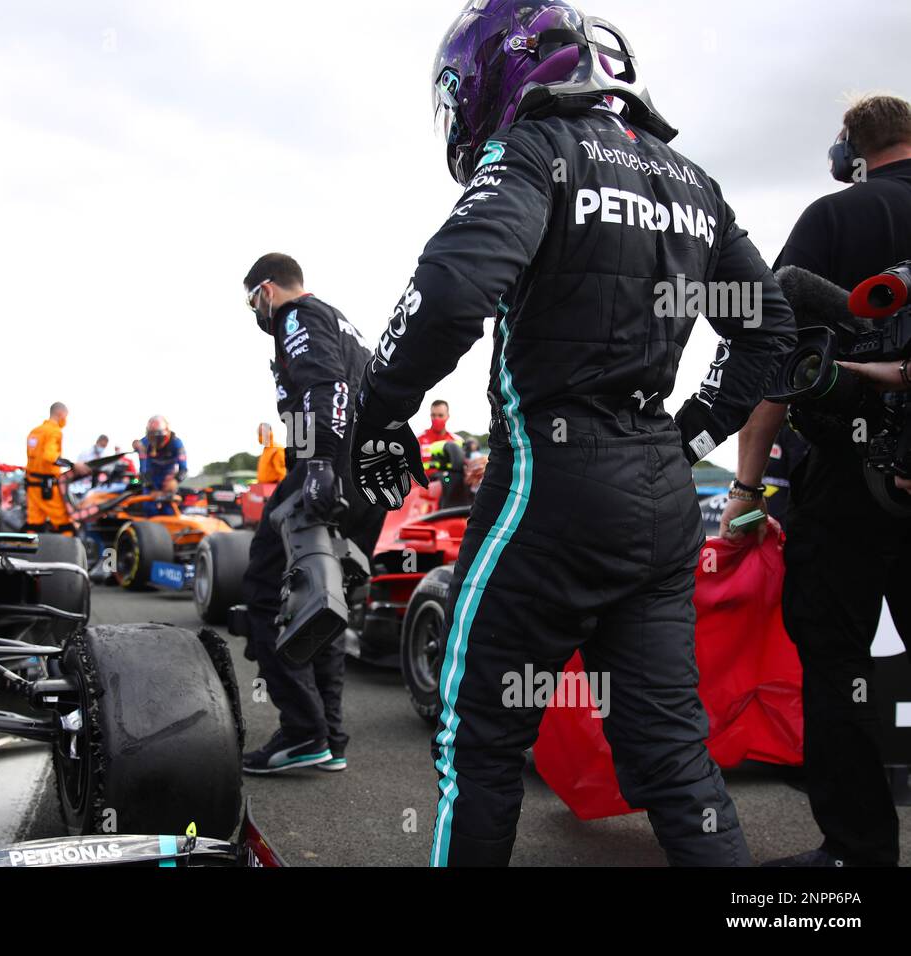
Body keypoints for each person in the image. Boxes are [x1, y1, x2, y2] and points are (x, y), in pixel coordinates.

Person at [349, 1, 795, 866]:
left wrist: (375, 411)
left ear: (500, 74)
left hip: (544, 496)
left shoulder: (535, 152)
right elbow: (770, 329)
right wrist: (690, 433)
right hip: (659, 502)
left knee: (477, 741)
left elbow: (450, 293)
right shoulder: (694, 180)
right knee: (671, 756)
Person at [721, 93, 911, 867]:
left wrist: (747, 487)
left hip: (847, 485)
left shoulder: (837, 217)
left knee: (837, 666)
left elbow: (777, 361)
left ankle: (857, 853)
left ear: (850, 151)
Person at [241, 252, 385, 774]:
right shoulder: (341, 322)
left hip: (331, 471)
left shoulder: (297, 315)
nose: (255, 312)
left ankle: (304, 731)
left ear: (267, 290)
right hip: (370, 477)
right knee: (326, 602)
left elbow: (326, 386)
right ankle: (328, 736)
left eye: (253, 301)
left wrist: (318, 462)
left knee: (264, 592)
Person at [25, 403, 88, 534]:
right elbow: (50, 457)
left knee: (34, 524)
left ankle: (29, 553)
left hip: (32, 486)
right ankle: (69, 552)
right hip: (47, 487)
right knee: (64, 523)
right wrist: (73, 465)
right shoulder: (54, 431)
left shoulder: (35, 431)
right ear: (61, 414)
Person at [136, 415, 187, 515]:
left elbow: (184, 469)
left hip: (168, 480)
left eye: (159, 438)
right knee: (149, 507)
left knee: (170, 510)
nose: (156, 441)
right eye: (152, 437)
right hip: (152, 479)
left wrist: (175, 481)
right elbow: (143, 470)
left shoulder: (177, 443)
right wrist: (152, 489)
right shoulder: (143, 444)